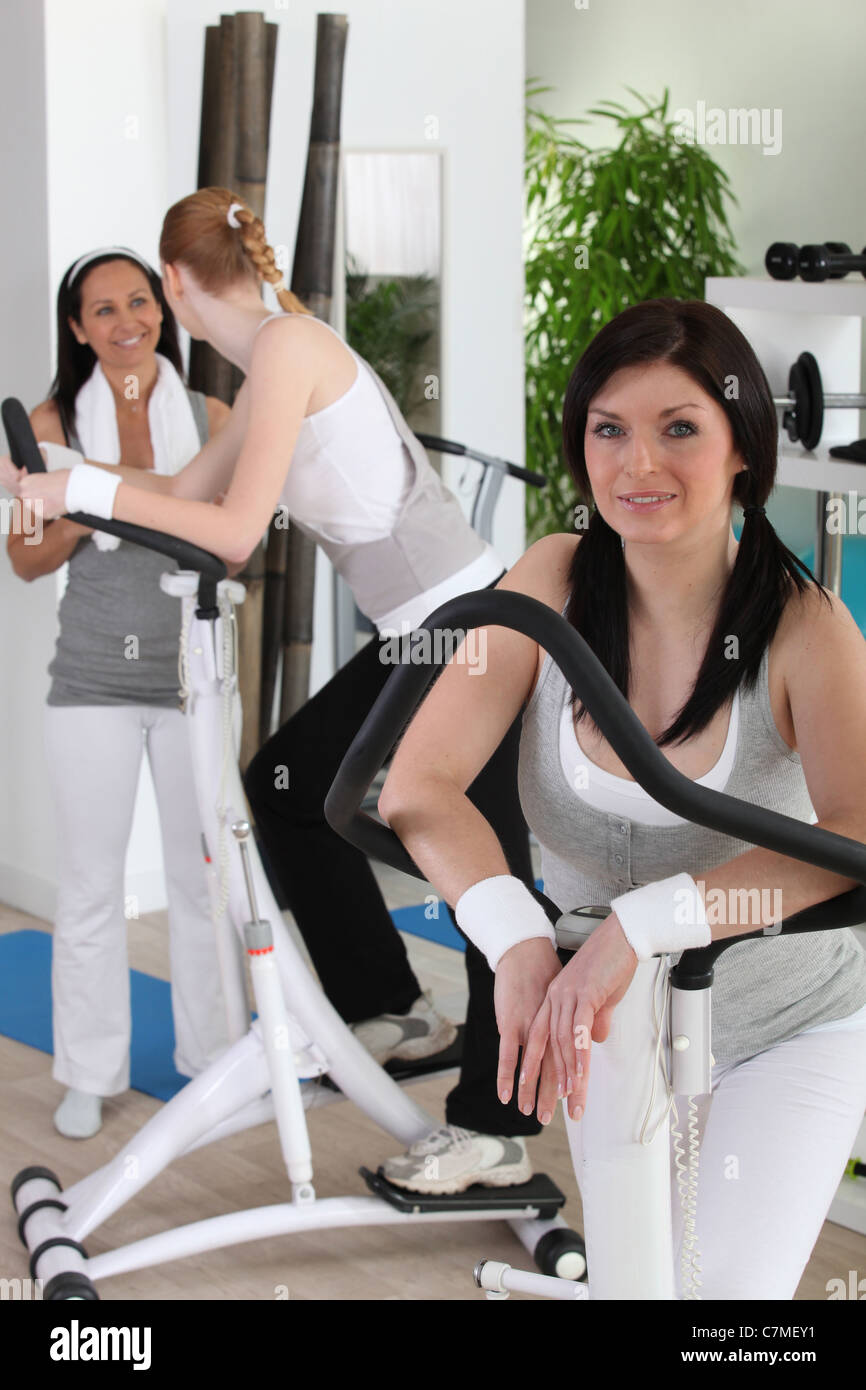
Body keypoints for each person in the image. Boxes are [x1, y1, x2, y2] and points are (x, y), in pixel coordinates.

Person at [6, 188, 543, 1191]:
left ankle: (495, 1130)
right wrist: (56, 472)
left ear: (173, 284)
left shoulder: (290, 354)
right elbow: (184, 490)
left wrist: (76, 492)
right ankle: (391, 1005)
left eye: (145, 297)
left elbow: (235, 530)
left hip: (463, 622)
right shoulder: (268, 367)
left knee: (484, 867)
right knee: (289, 787)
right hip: (413, 630)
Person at [374, 298, 866, 1296]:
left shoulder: (800, 623)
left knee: (725, 1308)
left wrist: (641, 924)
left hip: (787, 1021)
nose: (637, 464)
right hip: (604, 1016)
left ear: (740, 448)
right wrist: (515, 938)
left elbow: (857, 826)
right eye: (609, 430)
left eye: (677, 428)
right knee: (641, 1288)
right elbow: (417, 786)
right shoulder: (549, 581)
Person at [4, 248, 231, 1139]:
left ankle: (213, 1064)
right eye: (102, 309)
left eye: (139, 301)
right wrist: (71, 501)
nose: (126, 321)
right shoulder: (42, 421)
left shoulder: (212, 414)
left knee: (202, 882)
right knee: (91, 886)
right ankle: (88, 1072)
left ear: (161, 311)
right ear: (77, 328)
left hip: (195, 679)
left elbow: (233, 541)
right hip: (92, 678)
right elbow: (26, 558)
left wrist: (95, 488)